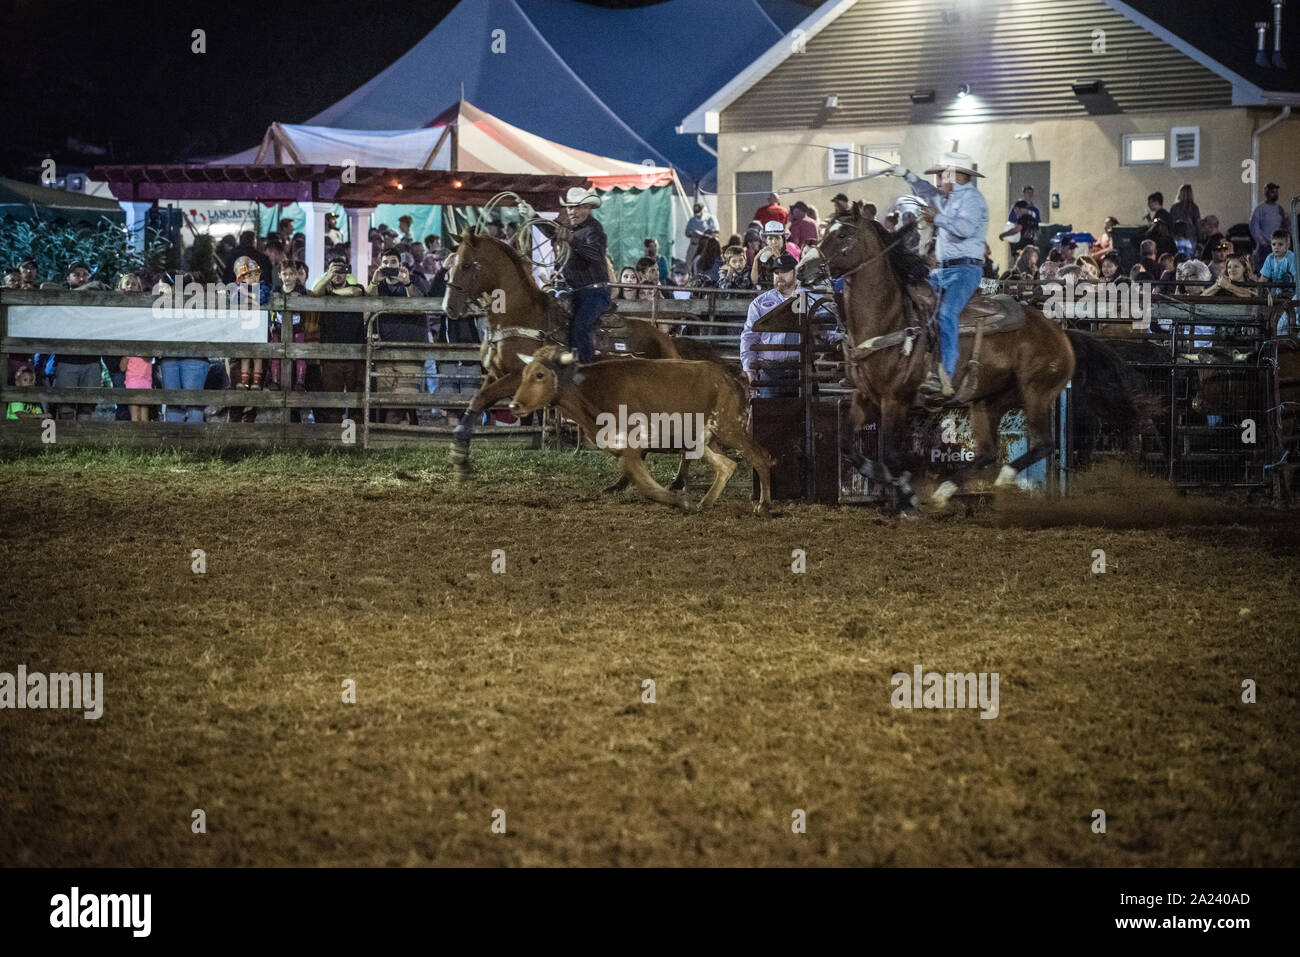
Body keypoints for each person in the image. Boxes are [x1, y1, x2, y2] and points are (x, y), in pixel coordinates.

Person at [888, 150, 989, 401]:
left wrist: (938, 218)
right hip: (942, 270)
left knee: (946, 312)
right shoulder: (946, 197)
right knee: (909, 297)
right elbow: (925, 190)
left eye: (943, 174)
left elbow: (965, 228)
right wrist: (905, 174)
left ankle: (947, 373)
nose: (939, 179)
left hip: (966, 270)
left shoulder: (974, 200)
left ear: (955, 175)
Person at [740, 254, 830, 396]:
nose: (779, 276)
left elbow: (825, 330)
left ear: (795, 272)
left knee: (807, 414)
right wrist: (749, 370)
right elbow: (749, 337)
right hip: (771, 369)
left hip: (803, 370)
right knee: (770, 415)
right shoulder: (759, 303)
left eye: (784, 271)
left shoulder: (811, 298)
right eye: (776, 272)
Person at [366, 248, 425, 425]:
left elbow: (422, 304)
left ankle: (401, 440)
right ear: (379, 264)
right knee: (386, 403)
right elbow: (365, 306)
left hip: (410, 352)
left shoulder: (414, 281)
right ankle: (394, 441)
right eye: (385, 262)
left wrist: (407, 283)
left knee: (403, 402)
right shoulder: (378, 286)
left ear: (400, 264)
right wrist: (374, 282)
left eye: (393, 262)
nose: (389, 266)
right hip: (384, 352)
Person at [552, 187, 610, 363]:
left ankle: (585, 368)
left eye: (577, 207)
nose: (572, 211)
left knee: (580, 326)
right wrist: (532, 217)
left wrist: (571, 240)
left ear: (588, 208)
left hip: (594, 293)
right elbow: (552, 232)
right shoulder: (573, 229)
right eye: (570, 207)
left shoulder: (593, 230)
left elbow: (596, 254)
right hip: (576, 292)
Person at [312, 256, 367, 423]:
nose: (338, 274)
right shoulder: (323, 289)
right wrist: (327, 278)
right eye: (334, 270)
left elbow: (354, 293)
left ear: (347, 272)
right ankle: (335, 437)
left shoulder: (356, 287)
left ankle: (352, 439)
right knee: (332, 399)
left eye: (341, 270)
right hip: (331, 353)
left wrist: (333, 293)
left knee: (356, 398)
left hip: (355, 352)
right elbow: (315, 293)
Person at [1250, 183, 1290, 273]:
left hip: (1279, 245)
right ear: (1266, 193)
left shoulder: (1280, 209)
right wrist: (1263, 242)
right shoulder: (1260, 209)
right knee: (1264, 270)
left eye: (1276, 192)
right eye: (1272, 192)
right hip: (1264, 246)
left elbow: (1285, 226)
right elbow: (1254, 227)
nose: (1275, 194)